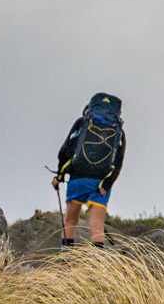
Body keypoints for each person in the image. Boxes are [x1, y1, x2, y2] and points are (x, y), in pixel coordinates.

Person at [52, 92, 126, 249]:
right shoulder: (118, 130)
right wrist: (107, 184)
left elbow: (66, 149)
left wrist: (59, 176)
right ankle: (96, 265)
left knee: (70, 221)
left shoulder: (82, 123)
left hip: (78, 177)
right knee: (97, 225)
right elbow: (118, 162)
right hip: (100, 181)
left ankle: (66, 262)